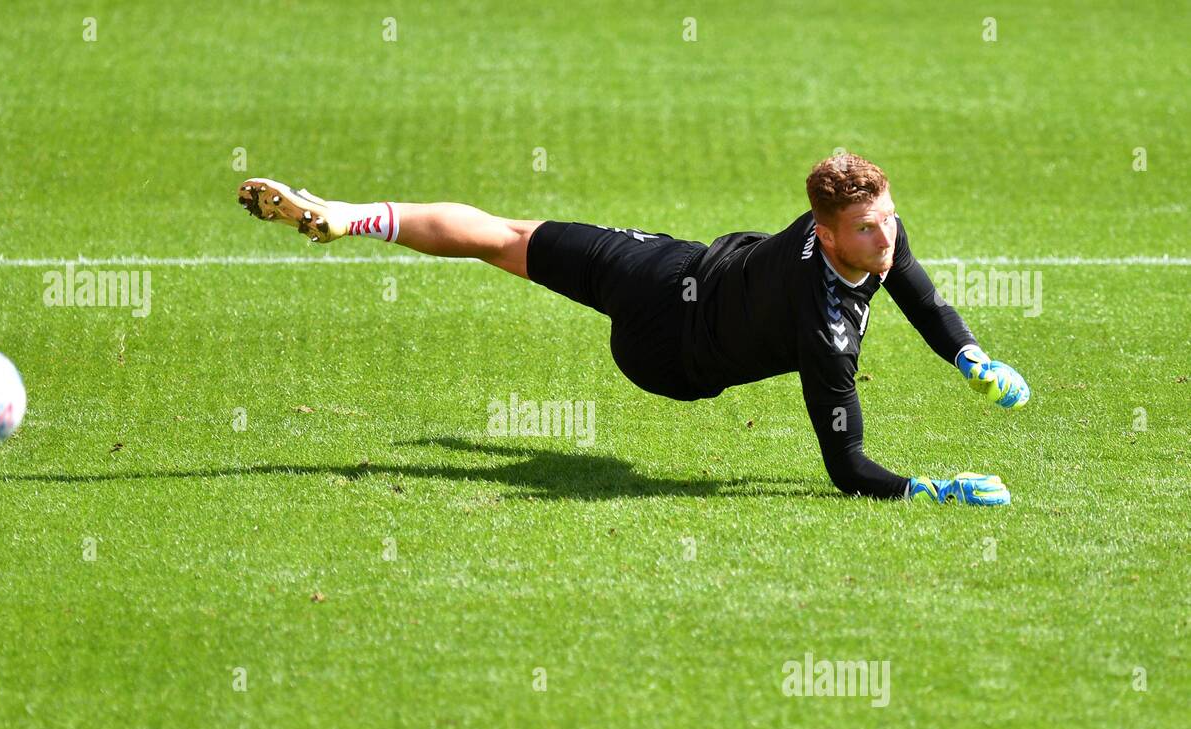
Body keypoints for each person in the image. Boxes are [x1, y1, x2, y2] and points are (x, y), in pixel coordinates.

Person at [236, 153, 1029, 504]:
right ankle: (346, 216)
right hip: (666, 344)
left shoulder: (865, 232)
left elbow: (916, 291)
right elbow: (848, 466)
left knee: (509, 239)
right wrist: (933, 490)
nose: (885, 239)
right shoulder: (823, 328)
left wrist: (969, 354)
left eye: (888, 220)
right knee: (507, 238)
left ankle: (354, 215)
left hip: (677, 280)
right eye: (866, 230)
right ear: (824, 234)